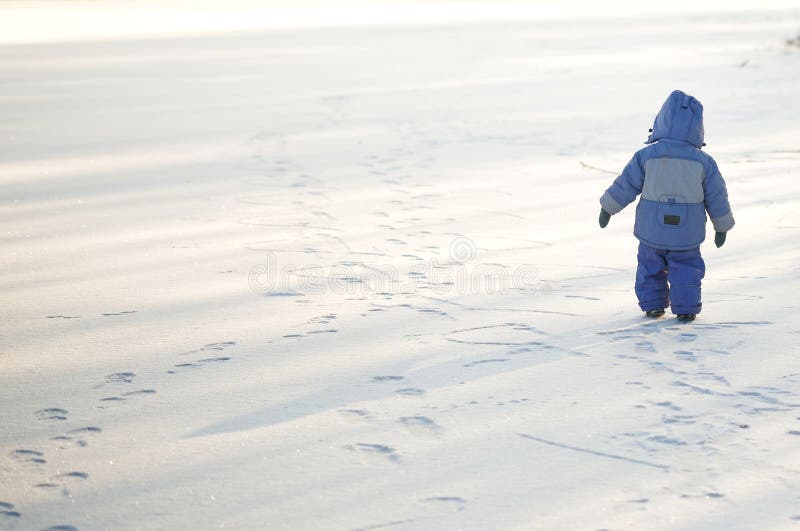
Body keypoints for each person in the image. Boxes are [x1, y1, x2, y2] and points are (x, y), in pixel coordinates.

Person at [598, 90, 734, 322]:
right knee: (686, 269)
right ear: (697, 129)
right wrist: (721, 226)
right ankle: (686, 308)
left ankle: (653, 305)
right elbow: (717, 197)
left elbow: (626, 184)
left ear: (661, 122)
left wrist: (608, 207)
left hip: (652, 230)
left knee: (650, 267)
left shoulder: (647, 156)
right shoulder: (704, 162)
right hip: (686, 234)